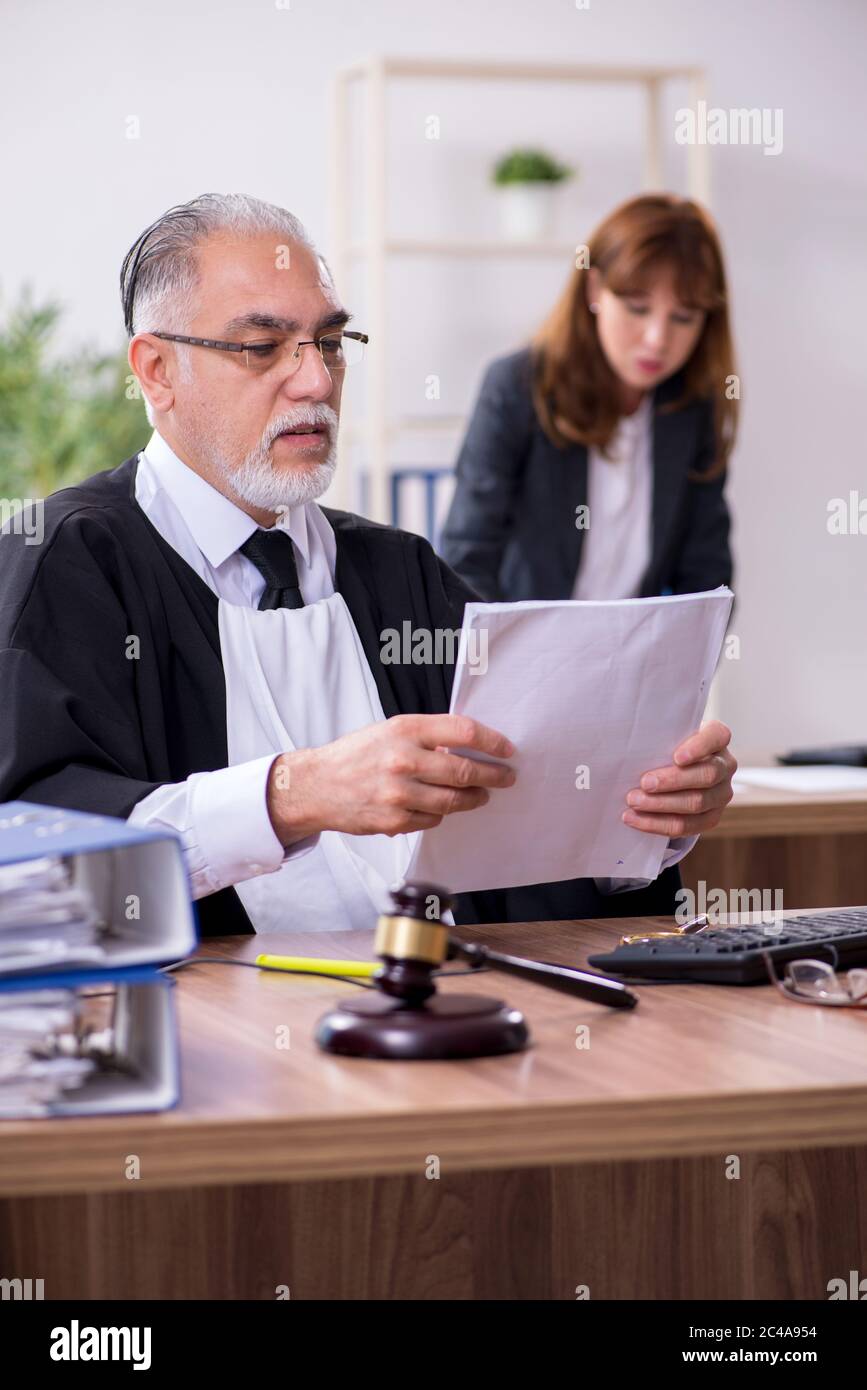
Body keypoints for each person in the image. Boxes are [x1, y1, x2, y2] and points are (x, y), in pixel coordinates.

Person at [0, 194, 736, 937]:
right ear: (157, 370)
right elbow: (33, 855)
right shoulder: (69, 558)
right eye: (263, 347)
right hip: (216, 1034)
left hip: (437, 1010)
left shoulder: (398, 572)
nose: (316, 381)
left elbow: (520, 818)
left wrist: (643, 815)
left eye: (329, 341)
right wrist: (290, 796)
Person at [440, 194, 736, 602]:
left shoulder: (693, 409)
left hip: (640, 660)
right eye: (637, 308)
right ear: (594, 288)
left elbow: (709, 576)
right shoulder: (517, 387)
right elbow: (466, 561)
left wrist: (682, 659)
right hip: (523, 655)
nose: (657, 340)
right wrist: (500, 661)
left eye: (683, 318)